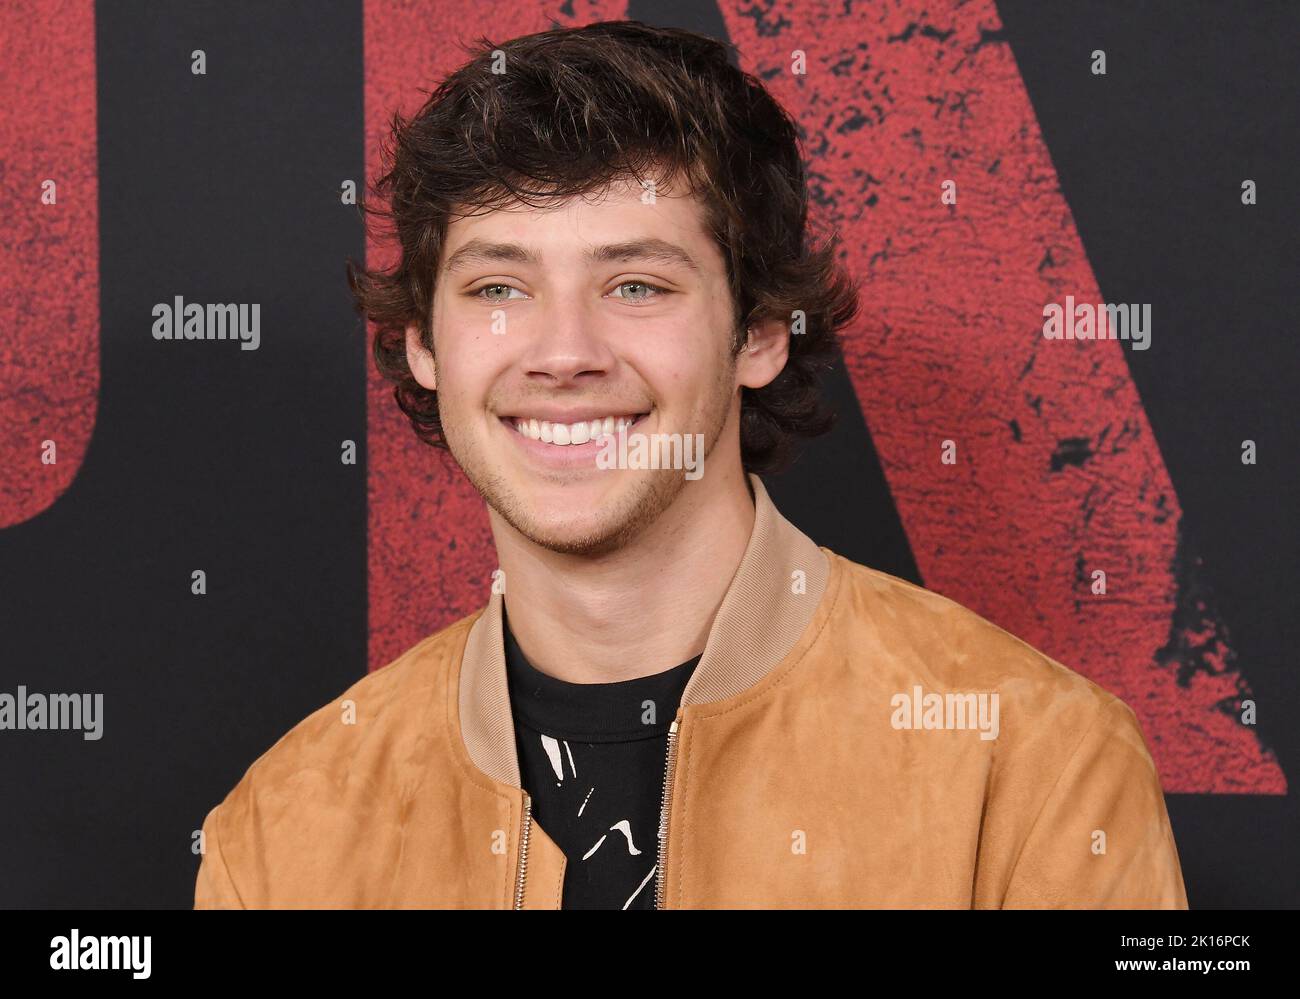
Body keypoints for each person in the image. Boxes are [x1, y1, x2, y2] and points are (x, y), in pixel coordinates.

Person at [194, 20, 1187, 909]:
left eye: (634, 284)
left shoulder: (1037, 766)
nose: (563, 351)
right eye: (499, 284)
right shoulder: (285, 833)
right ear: (423, 343)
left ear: (758, 330)